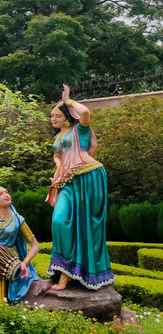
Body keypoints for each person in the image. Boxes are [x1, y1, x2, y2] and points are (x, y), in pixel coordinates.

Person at [46, 85, 114, 290]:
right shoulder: (58, 137)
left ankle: (70, 276)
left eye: (57, 115)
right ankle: (65, 269)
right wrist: (59, 167)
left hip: (89, 176)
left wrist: (67, 101)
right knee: (60, 220)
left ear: (67, 116)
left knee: (85, 226)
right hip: (68, 181)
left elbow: (85, 112)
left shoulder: (80, 129)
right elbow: (57, 155)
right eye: (51, 116)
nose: (53, 118)